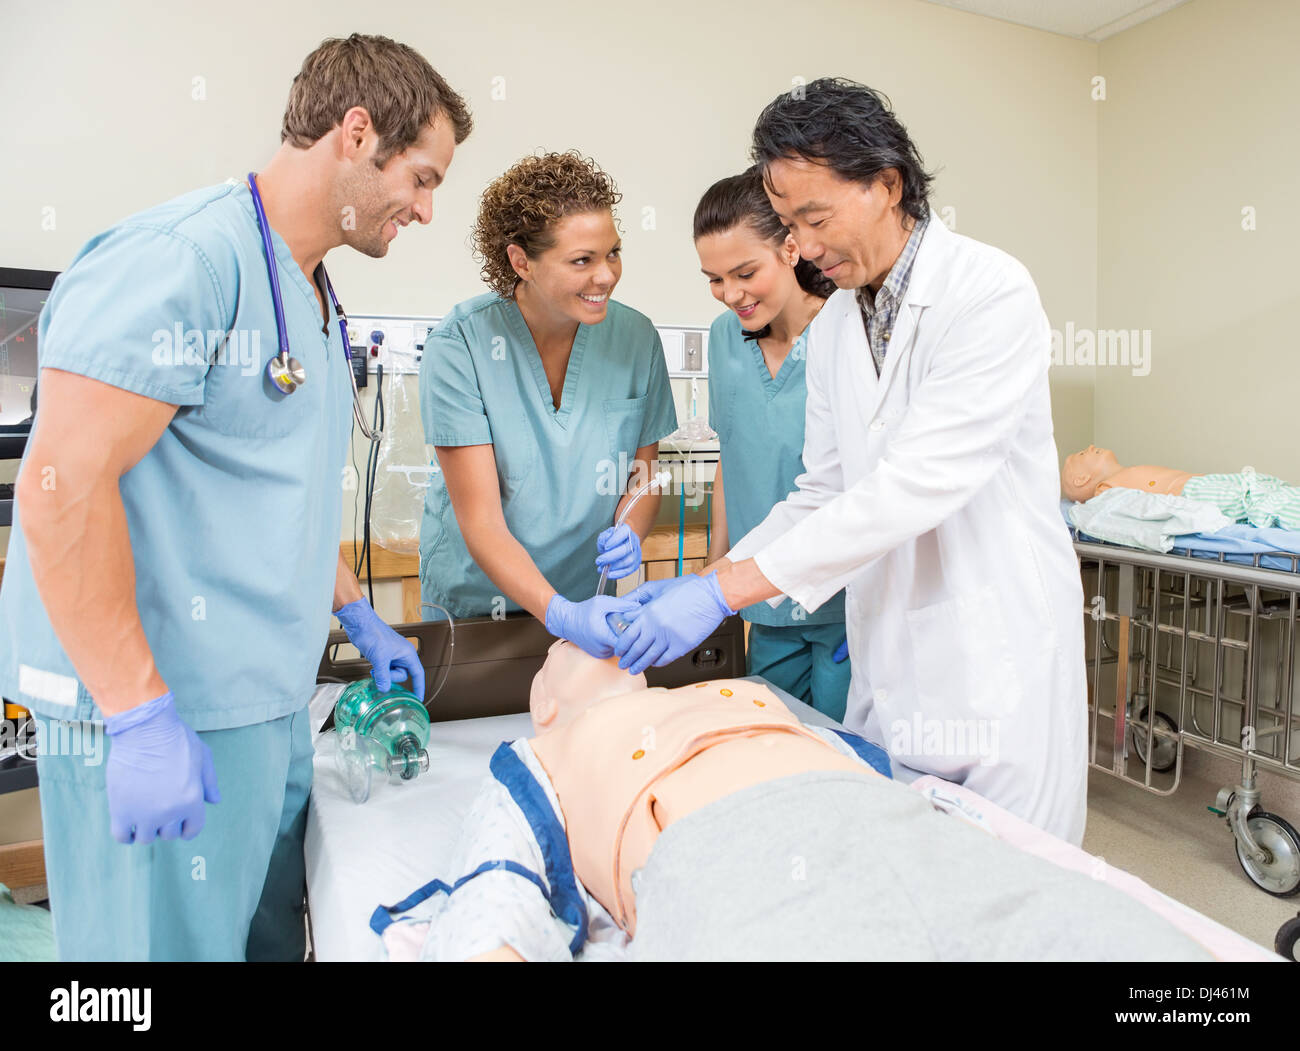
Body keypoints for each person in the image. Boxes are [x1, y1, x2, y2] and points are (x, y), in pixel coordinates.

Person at [0, 34, 472, 960]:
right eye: (421, 178)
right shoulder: (183, 262)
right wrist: (136, 714)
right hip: (158, 710)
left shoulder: (313, 292)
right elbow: (62, 492)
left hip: (261, 706)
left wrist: (355, 611)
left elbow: (271, 492)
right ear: (356, 130)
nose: (424, 209)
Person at [613, 78, 1088, 845]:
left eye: (813, 217)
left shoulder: (988, 294)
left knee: (1010, 900)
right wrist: (707, 581)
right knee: (901, 881)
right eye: (790, 224)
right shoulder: (838, 325)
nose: (800, 246)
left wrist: (724, 589)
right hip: (891, 664)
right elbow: (824, 490)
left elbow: (913, 486)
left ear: (887, 185)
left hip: (995, 667)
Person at [391, 641, 1209, 962]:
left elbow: (893, 780)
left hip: (896, 828)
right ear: (544, 700)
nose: (603, 630)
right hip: (739, 859)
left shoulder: (743, 691)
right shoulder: (542, 751)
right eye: (570, 641)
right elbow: (500, 874)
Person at [418, 151, 678, 657]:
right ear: (521, 262)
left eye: (613, 253)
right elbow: (482, 521)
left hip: (589, 600)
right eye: (582, 260)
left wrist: (632, 529)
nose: (606, 276)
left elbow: (643, 478)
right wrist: (555, 612)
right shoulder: (463, 344)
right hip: (478, 606)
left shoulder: (636, 339)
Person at [693, 168, 849, 720]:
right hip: (760, 600)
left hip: (846, 604)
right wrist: (714, 570)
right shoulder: (723, 338)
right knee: (776, 747)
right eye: (714, 278)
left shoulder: (844, 333)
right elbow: (729, 460)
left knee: (849, 761)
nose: (730, 294)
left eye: (744, 272)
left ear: (790, 248)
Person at [1063, 445, 1300, 529]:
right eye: (1084, 453)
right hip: (1195, 493)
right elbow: (1115, 514)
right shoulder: (1106, 491)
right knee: (1260, 501)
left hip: (1207, 484)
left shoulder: (1120, 476)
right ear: (1081, 480)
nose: (1092, 445)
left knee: (1275, 493)